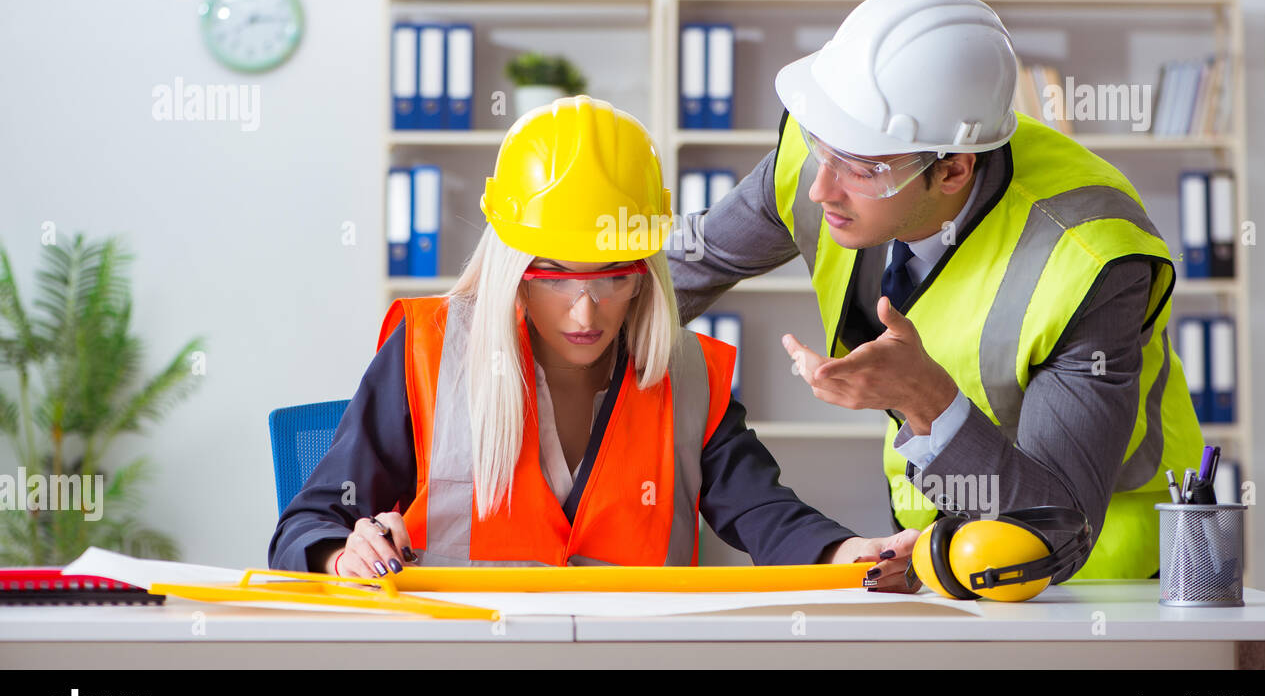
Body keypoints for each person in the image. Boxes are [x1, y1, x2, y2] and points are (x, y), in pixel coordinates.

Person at [667, 0, 1204, 582]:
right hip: (927, 538)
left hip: (1097, 576)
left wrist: (927, 401)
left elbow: (1058, 531)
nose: (821, 190)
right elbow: (677, 273)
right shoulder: (833, 144)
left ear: (952, 168)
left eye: (863, 169)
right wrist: (553, 280)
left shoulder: (1088, 261)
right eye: (824, 149)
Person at [269, 95, 915, 582]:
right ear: (515, 274)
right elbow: (305, 526)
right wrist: (340, 552)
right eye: (556, 278)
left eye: (613, 277)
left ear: (645, 273)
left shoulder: (684, 375)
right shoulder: (426, 354)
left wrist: (843, 550)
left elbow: (764, 513)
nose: (586, 310)